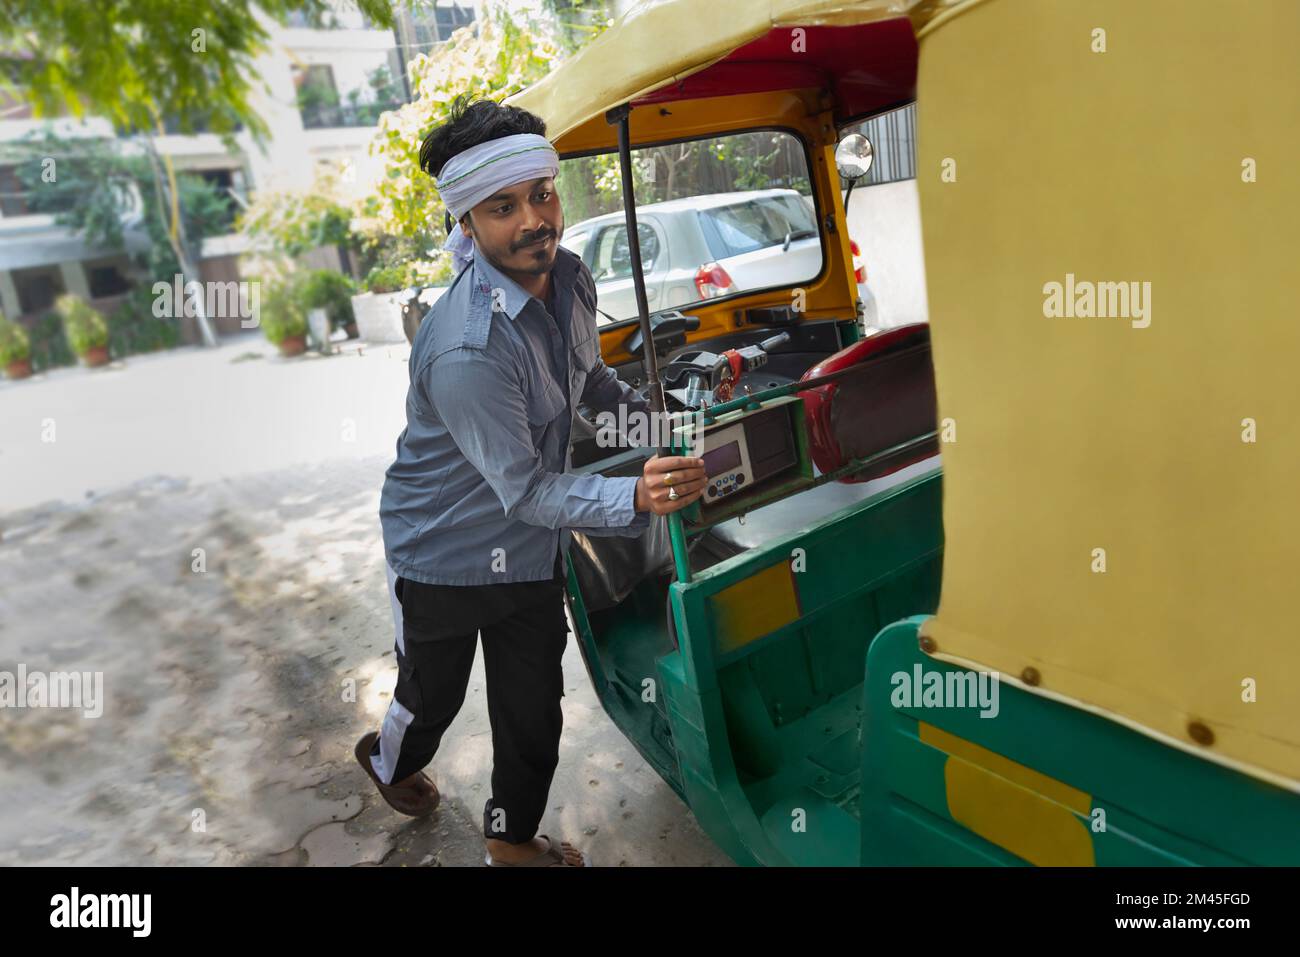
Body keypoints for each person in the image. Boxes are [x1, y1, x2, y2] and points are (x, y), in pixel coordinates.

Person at [354, 94, 706, 867]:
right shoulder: (467, 347)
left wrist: (662, 427)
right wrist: (636, 495)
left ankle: (509, 843)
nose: (533, 220)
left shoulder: (572, 280)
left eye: (541, 193)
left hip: (526, 551)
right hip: (440, 552)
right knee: (431, 702)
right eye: (503, 206)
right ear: (467, 224)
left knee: (532, 712)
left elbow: (594, 385)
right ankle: (387, 761)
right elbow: (528, 489)